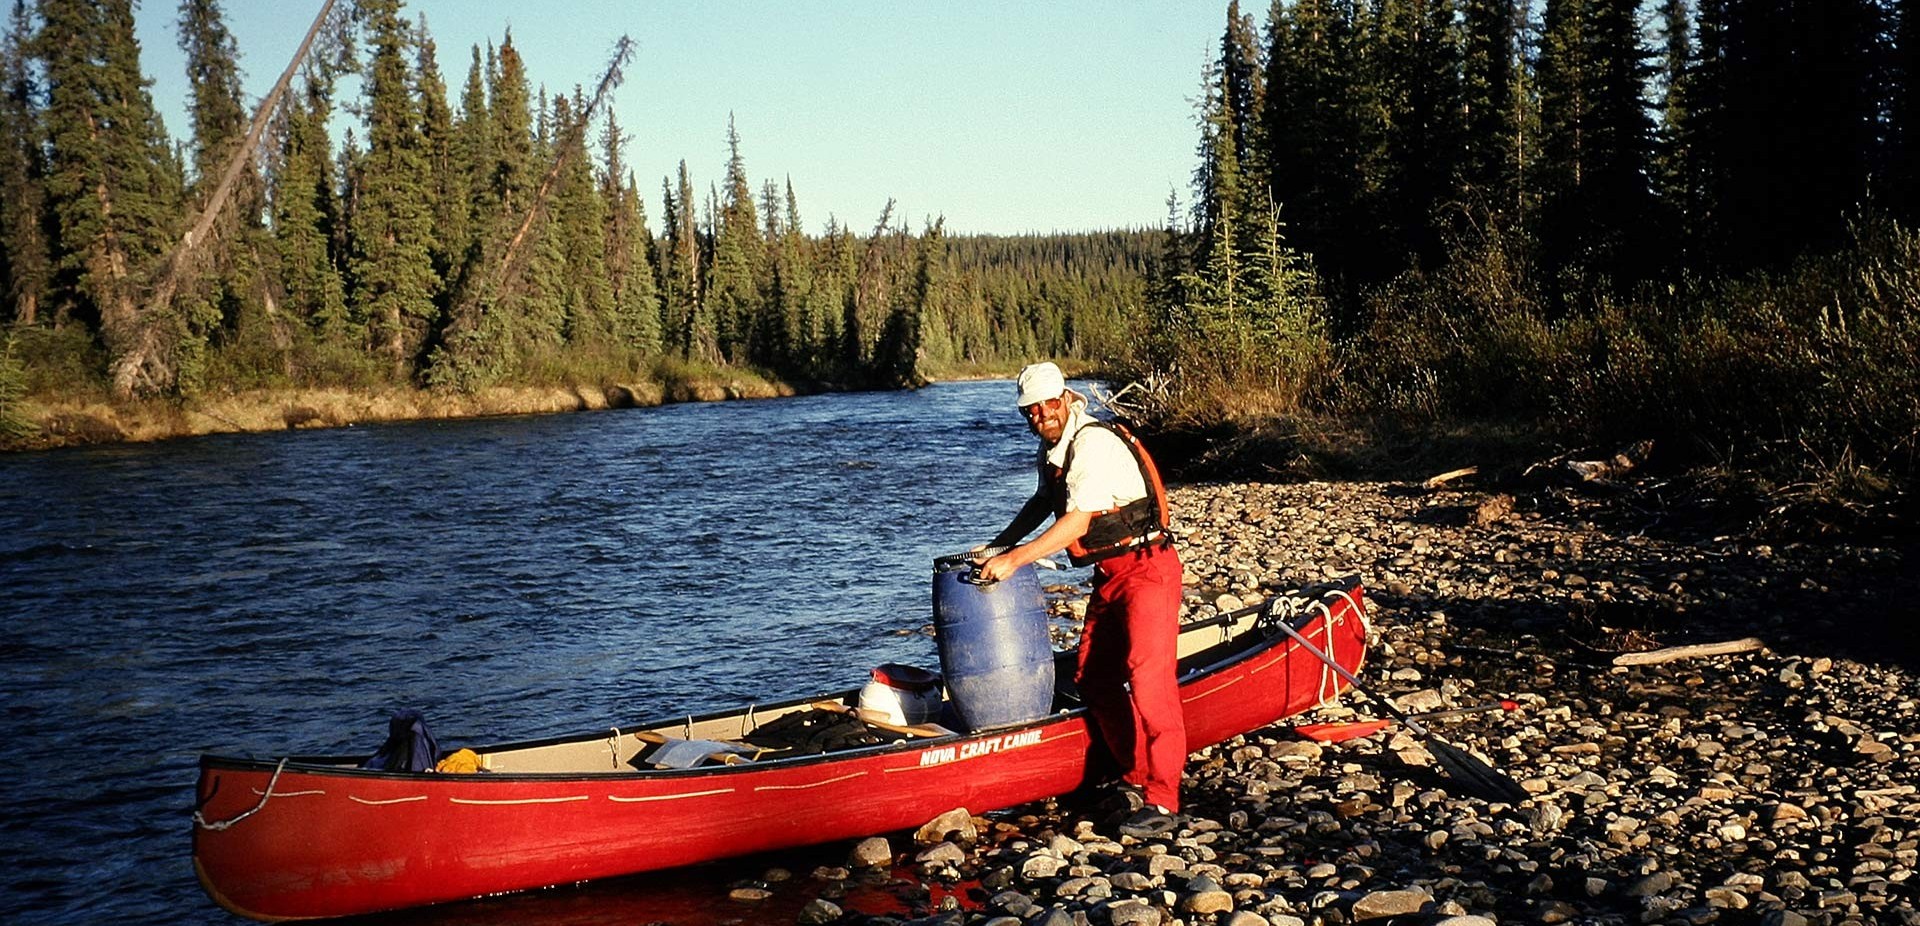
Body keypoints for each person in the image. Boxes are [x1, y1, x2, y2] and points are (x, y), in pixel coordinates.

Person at [976, 362, 1187, 838]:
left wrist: (1016, 562)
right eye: (1031, 409)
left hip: (1148, 569)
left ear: (1066, 399)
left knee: (1148, 678)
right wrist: (1000, 545)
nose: (1041, 414)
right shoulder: (1051, 449)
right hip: (1110, 574)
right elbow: (1041, 502)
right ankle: (1134, 776)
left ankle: (1164, 799)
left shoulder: (1091, 443)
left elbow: (1078, 522)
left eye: (1049, 404)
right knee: (1093, 675)